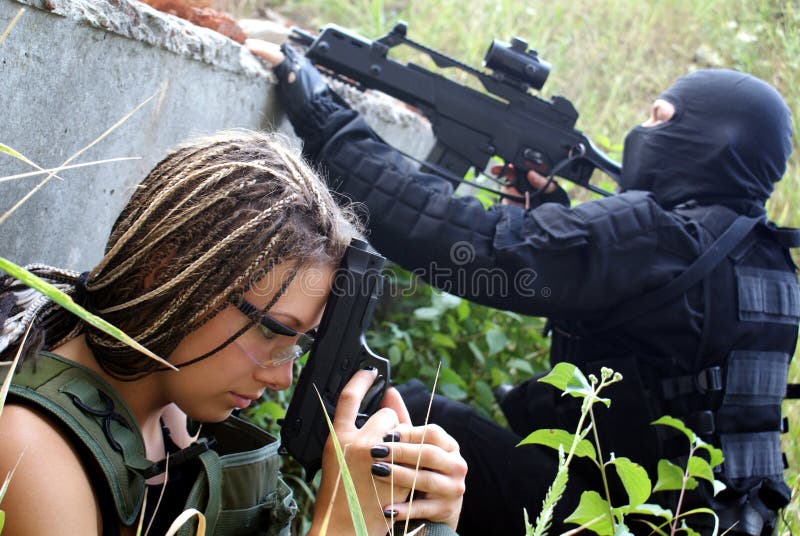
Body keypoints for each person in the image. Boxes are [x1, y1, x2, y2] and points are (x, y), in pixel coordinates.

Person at [247, 41, 798, 536]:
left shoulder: (660, 235)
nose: (643, 133)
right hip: (712, 519)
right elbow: (648, 315)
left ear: (710, 138)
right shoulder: (768, 261)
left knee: (400, 422)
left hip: (617, 520)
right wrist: (552, 216)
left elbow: (469, 245)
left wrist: (324, 117)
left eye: (660, 120)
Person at [0, 130, 467, 536]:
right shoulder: (32, 455)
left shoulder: (172, 411)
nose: (283, 378)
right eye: (273, 330)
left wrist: (419, 519)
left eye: (302, 343)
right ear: (168, 270)